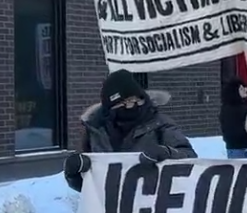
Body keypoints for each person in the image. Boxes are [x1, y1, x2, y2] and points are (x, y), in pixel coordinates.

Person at [64, 70, 196, 192]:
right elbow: (87, 185)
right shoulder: (95, 131)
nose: (132, 107)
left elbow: (190, 158)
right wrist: (74, 173)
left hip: (152, 207)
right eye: (125, 103)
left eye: (136, 101)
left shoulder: (161, 124)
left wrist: (167, 153)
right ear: (111, 107)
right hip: (110, 212)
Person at [219, 78, 247, 159]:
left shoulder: (245, 105)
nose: (246, 90)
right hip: (237, 148)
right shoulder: (230, 109)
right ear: (235, 91)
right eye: (242, 88)